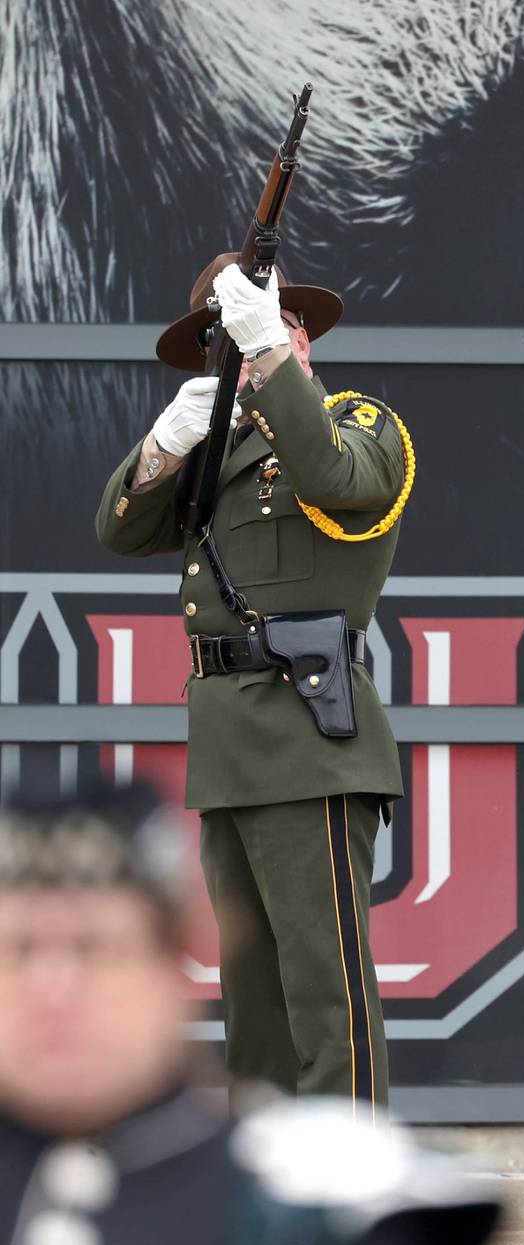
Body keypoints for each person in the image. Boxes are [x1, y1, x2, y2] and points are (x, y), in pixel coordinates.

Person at [0, 778, 513, 1245]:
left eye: (97, 949)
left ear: (177, 963)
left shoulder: (321, 1219)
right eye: (18, 951)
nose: (54, 992)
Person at [95, 254, 414, 1110]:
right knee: (256, 1004)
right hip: (230, 746)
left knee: (327, 990)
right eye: (233, 329)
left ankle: (352, 1202)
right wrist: (168, 443)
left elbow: (341, 479)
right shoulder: (216, 449)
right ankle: (267, 1197)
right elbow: (121, 529)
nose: (278, 332)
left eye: (286, 321)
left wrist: (268, 355)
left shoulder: (359, 422)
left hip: (310, 737)